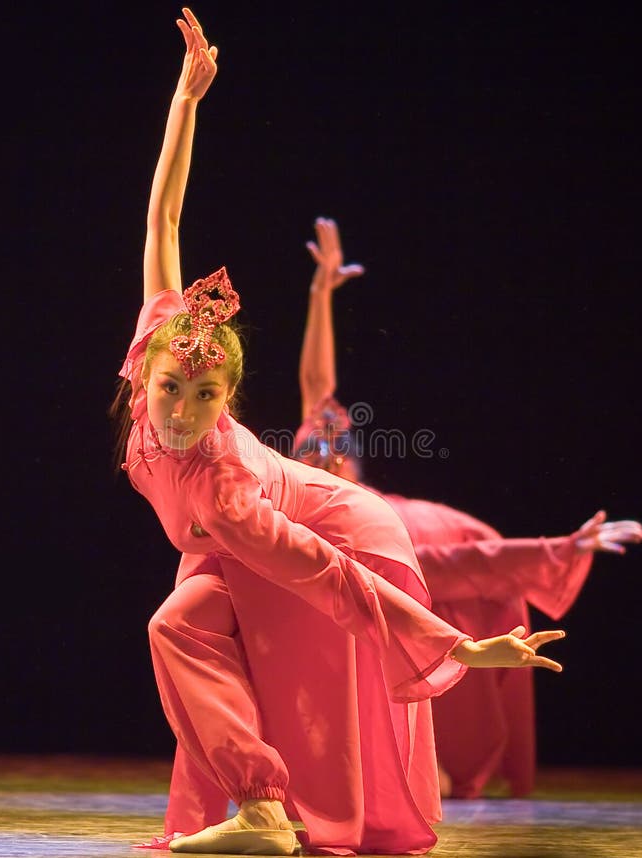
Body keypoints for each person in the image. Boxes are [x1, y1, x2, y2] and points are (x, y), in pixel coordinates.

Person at [112, 10, 568, 855]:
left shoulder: (225, 488)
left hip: (345, 535)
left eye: (204, 396)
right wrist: (185, 101)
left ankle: (265, 814)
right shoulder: (160, 341)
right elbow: (163, 223)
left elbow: (332, 578)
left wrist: (462, 647)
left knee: (179, 624)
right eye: (170, 388)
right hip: (248, 545)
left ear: (228, 399)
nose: (180, 409)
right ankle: (262, 813)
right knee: (179, 625)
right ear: (146, 371)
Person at [292, 216, 642, 799]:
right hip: (358, 549)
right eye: (316, 453)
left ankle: (445, 759)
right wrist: (319, 293)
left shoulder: (377, 534)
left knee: (431, 616)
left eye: (331, 457)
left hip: (438, 546)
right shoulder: (295, 489)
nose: (323, 455)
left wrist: (562, 548)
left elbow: (475, 562)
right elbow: (315, 381)